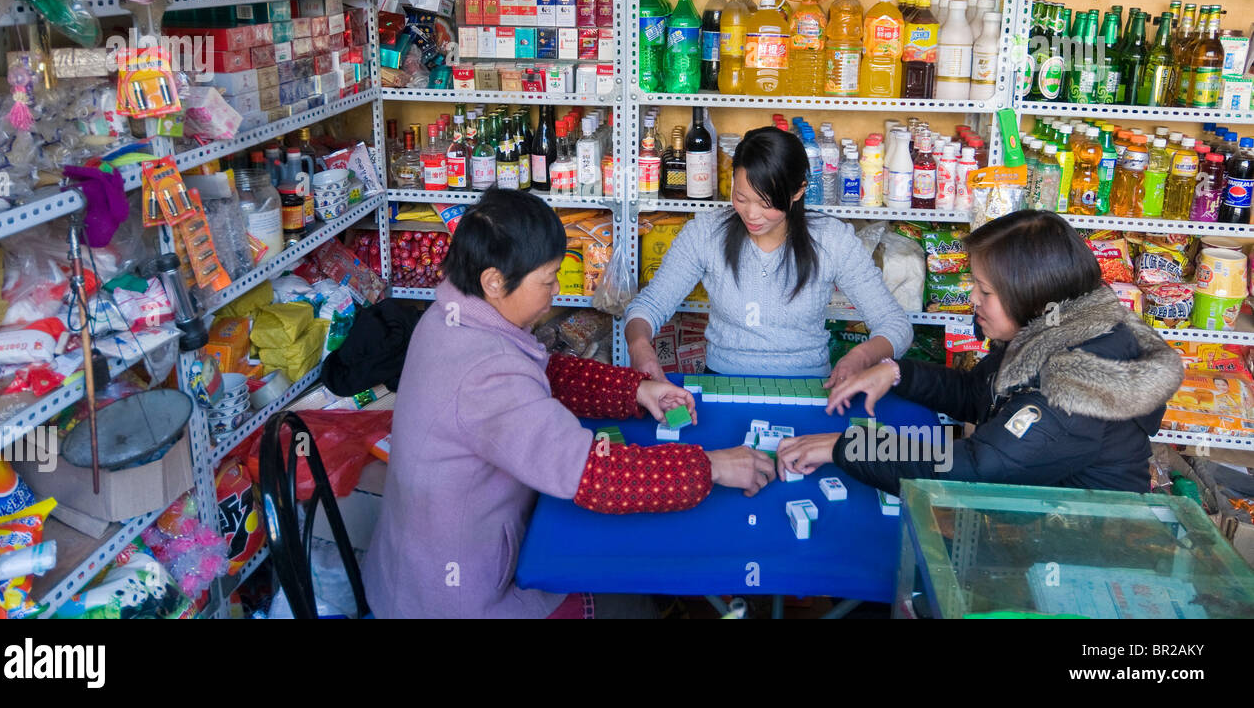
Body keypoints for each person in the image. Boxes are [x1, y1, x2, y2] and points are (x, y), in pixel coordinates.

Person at [364, 189, 776, 619]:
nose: (557, 291)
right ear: (493, 281)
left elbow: (541, 373)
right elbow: (597, 475)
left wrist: (634, 389)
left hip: (410, 573)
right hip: (459, 600)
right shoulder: (487, 373)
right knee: (628, 600)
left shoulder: (451, 314)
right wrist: (712, 466)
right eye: (547, 280)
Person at [776, 210, 1183, 493]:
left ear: (1031, 296)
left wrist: (846, 447)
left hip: (1074, 553)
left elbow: (973, 468)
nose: (972, 299)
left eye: (984, 291)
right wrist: (896, 373)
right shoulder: (1051, 330)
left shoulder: (1073, 388)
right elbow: (977, 393)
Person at [625, 127, 913, 383]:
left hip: (809, 388)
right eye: (741, 198)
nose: (751, 214)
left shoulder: (832, 239)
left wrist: (862, 355)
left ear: (798, 191)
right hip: (723, 384)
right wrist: (639, 346)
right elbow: (649, 305)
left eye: (766, 204)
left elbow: (895, 325)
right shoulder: (705, 232)